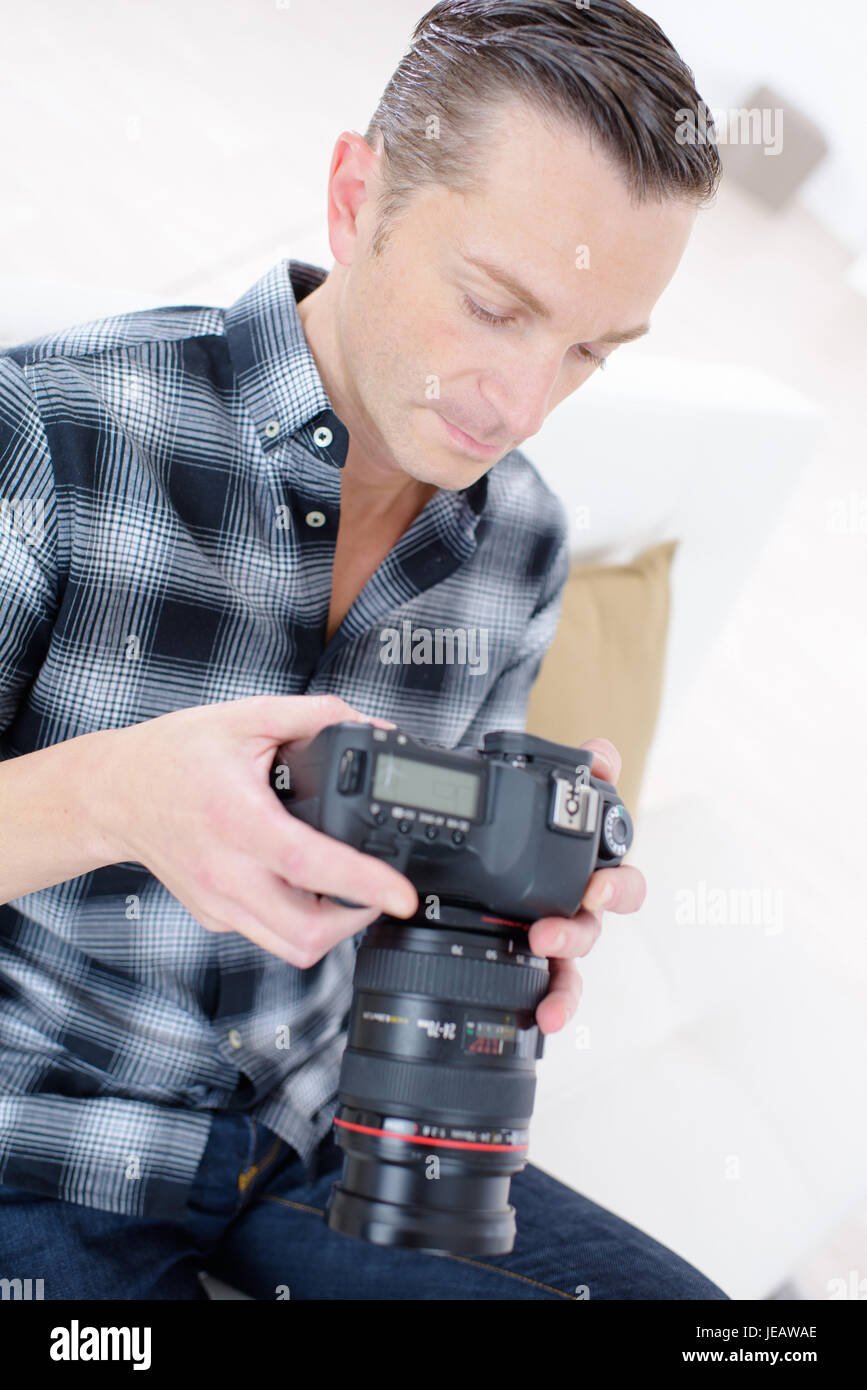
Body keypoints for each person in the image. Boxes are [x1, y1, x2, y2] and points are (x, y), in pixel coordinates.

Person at [0, 0, 728, 1299]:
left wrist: (522, 905)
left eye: (589, 352)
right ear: (356, 197)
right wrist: (117, 795)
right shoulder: (52, 431)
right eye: (494, 305)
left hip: (338, 1125)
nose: (523, 402)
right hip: (51, 1139)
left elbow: (423, 870)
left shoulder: (528, 540)